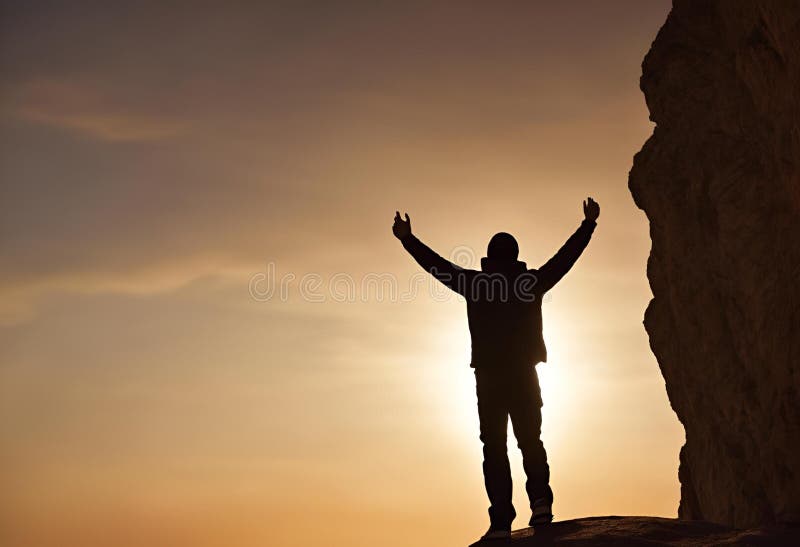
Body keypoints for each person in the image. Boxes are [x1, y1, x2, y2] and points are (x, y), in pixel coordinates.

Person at [392, 198, 599, 541]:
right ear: (516, 257)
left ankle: (502, 520)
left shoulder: (477, 284)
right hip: (523, 375)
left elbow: (437, 266)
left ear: (490, 257)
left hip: (488, 378)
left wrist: (407, 239)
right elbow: (564, 261)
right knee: (530, 441)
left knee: (494, 447)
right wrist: (587, 224)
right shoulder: (528, 283)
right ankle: (541, 504)